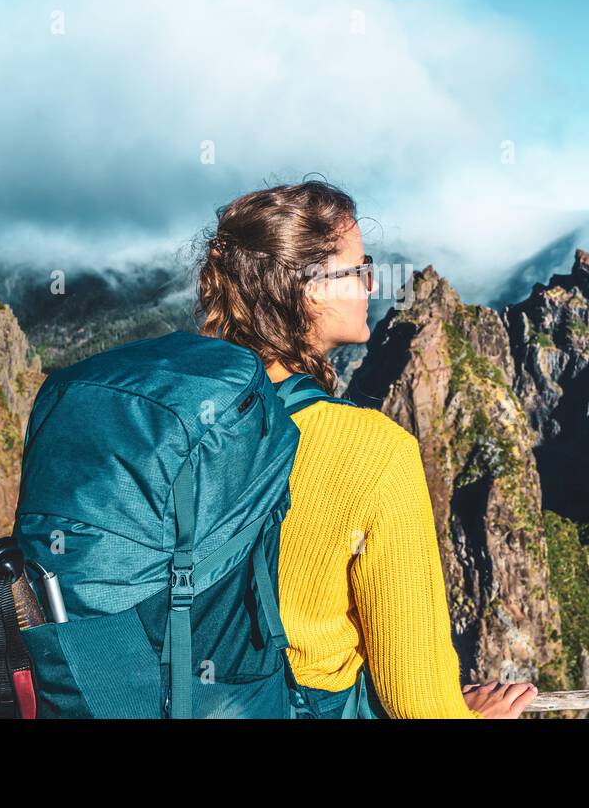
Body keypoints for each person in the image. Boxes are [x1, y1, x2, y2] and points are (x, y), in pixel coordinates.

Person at [195, 179, 538, 719]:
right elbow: (417, 700)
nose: (371, 285)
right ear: (310, 291)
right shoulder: (374, 452)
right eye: (357, 270)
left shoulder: (175, 419)